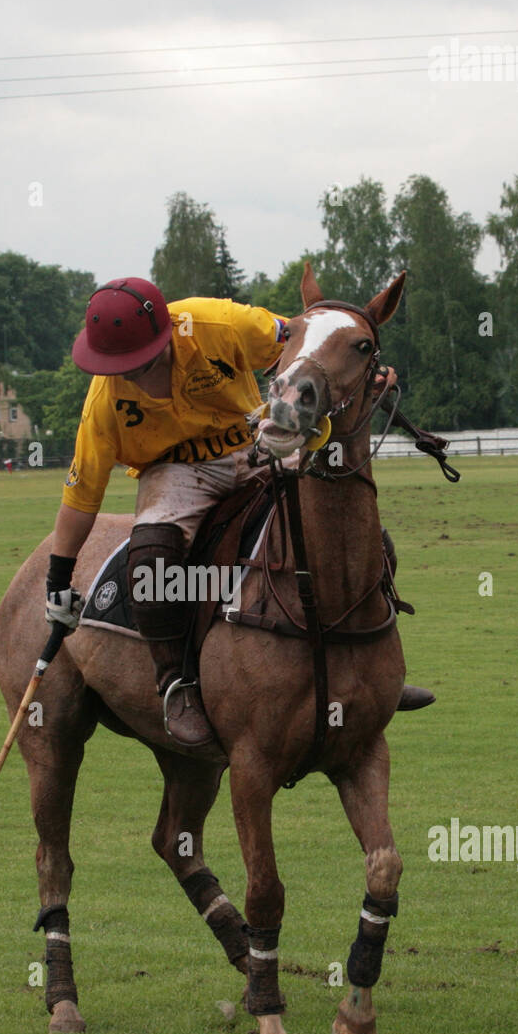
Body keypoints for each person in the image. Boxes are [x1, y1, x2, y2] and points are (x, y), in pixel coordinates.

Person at [44, 277, 431, 753]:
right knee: (151, 568)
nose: (131, 375)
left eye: (140, 363)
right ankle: (177, 685)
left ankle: (374, 677)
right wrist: (57, 581)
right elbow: (82, 498)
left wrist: (363, 369)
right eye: (118, 367)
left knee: (363, 538)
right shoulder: (104, 404)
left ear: (165, 336)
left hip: (254, 443)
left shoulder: (220, 323)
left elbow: (307, 340)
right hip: (174, 472)